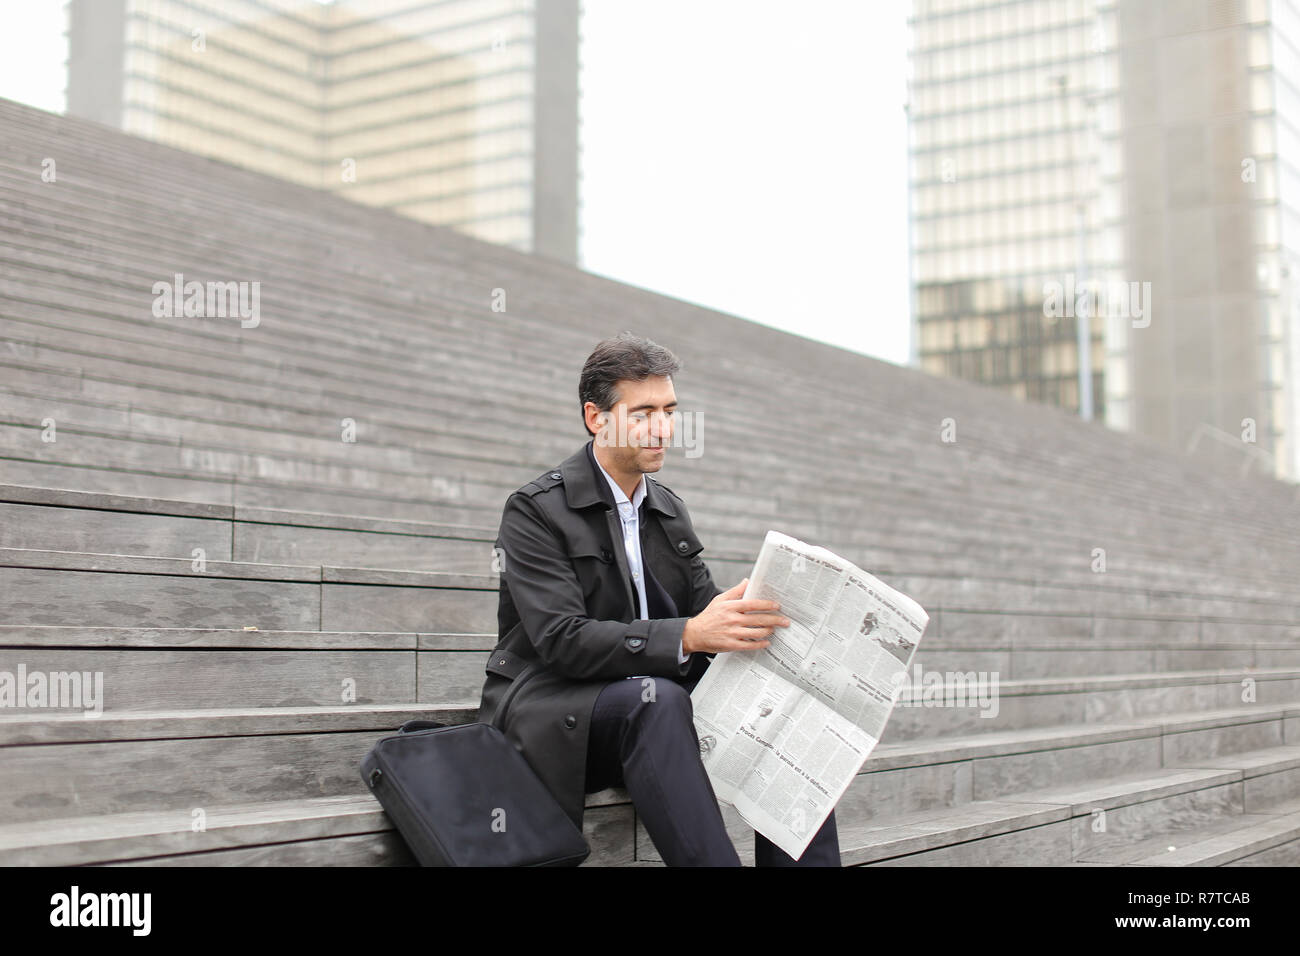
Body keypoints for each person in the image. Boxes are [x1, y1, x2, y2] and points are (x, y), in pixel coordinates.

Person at [479, 332, 840, 866]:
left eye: (669, 411)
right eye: (643, 412)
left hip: (654, 713)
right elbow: (560, 641)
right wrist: (689, 633)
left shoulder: (667, 510)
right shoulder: (536, 511)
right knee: (658, 699)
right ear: (596, 417)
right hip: (558, 709)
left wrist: (755, 616)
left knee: (783, 710)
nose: (663, 428)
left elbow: (704, 610)